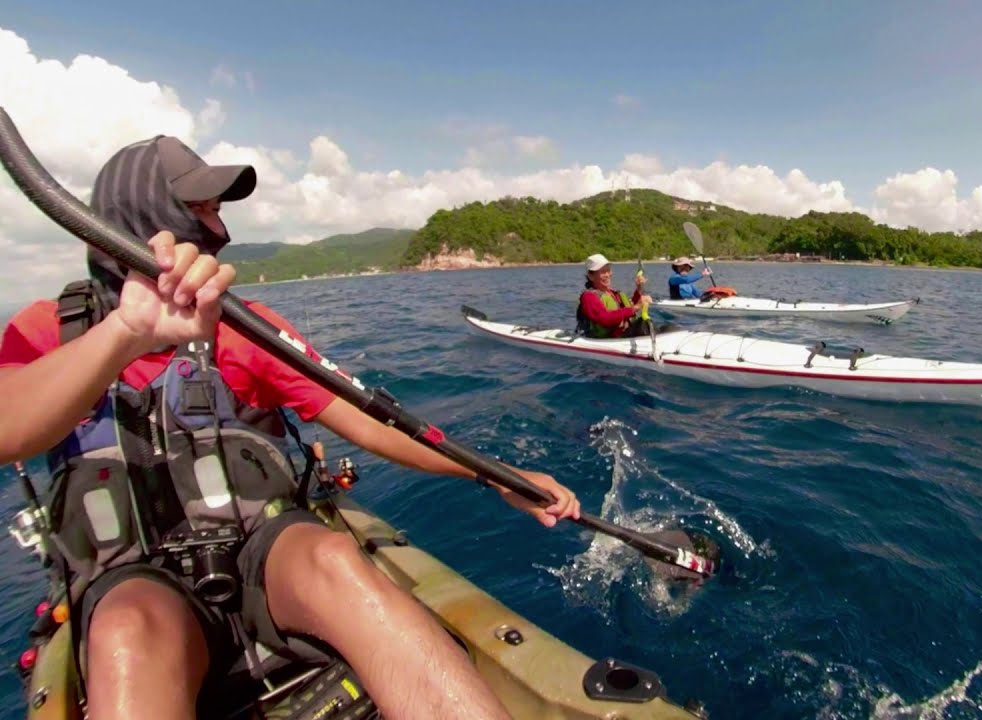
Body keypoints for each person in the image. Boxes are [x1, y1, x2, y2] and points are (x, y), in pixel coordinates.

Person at [0, 135, 582, 720]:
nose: (218, 227)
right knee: (127, 634)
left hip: (265, 553)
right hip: (133, 578)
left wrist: (496, 475)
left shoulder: (246, 327)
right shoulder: (49, 331)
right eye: (201, 209)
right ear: (145, 216)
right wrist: (128, 330)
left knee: (334, 560)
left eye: (218, 209)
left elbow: (366, 418)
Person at [575, 253, 653, 338]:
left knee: (664, 327)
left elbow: (627, 308)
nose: (607, 275)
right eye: (603, 272)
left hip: (623, 334)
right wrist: (636, 307)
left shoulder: (613, 293)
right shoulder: (588, 297)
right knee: (646, 327)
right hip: (607, 340)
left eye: (608, 270)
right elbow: (605, 319)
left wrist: (639, 289)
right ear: (591, 276)